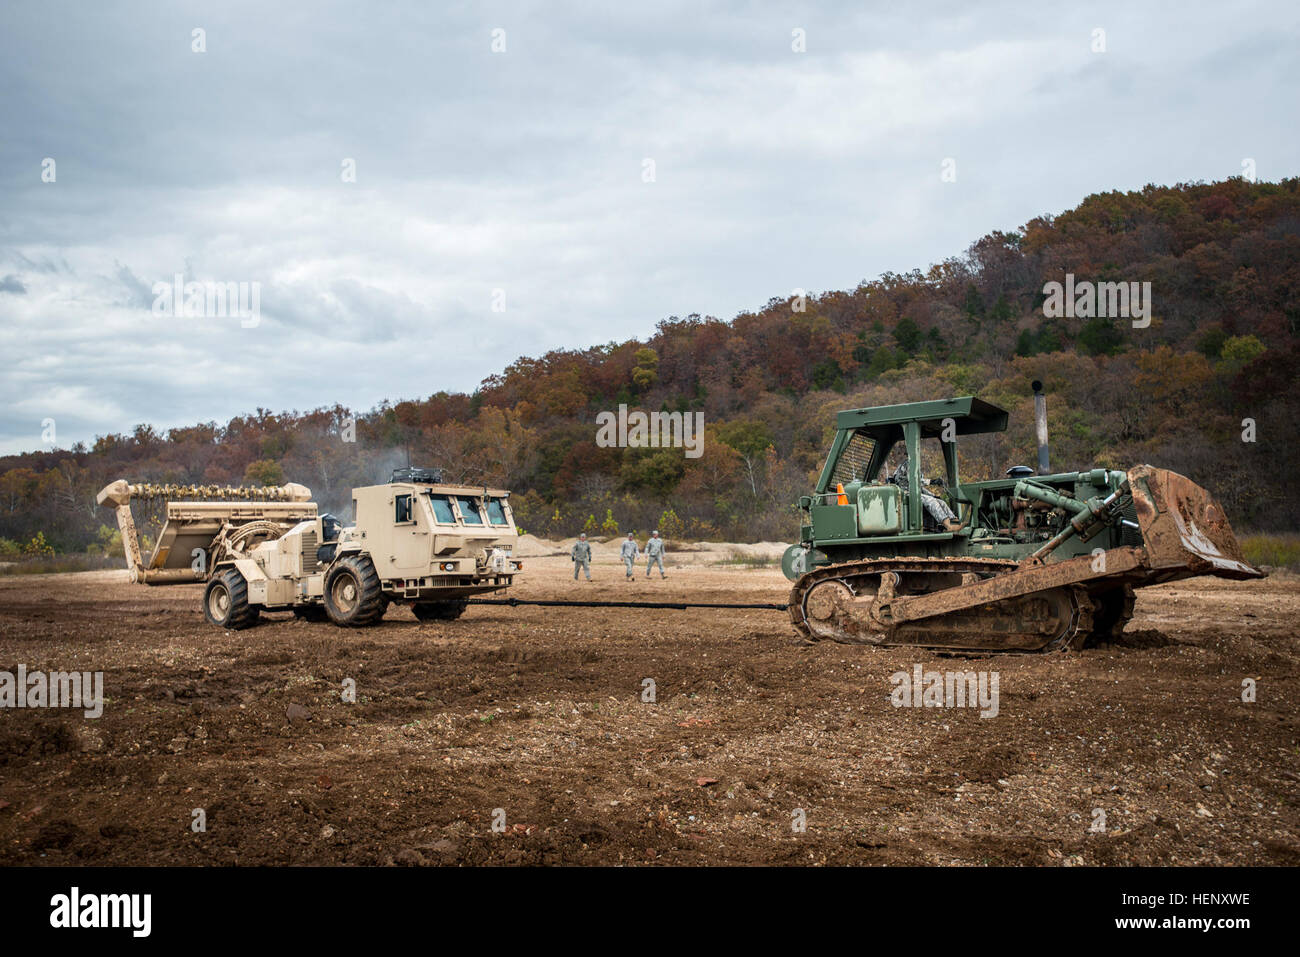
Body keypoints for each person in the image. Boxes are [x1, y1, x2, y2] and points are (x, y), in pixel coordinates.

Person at [889, 459, 962, 531]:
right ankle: (948, 526)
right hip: (905, 493)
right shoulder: (909, 464)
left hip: (913, 492)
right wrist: (932, 481)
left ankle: (955, 522)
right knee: (931, 501)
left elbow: (919, 488)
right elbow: (914, 481)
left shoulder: (913, 465)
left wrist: (932, 495)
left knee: (940, 502)